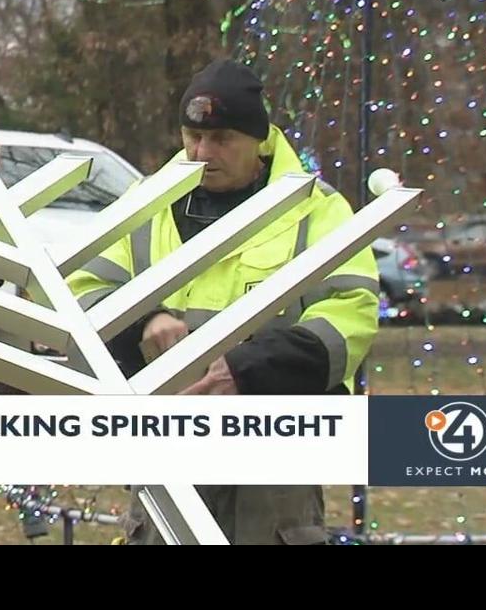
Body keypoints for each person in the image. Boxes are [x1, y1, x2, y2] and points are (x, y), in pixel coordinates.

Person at [66, 59, 380, 545]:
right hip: (167, 445)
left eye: (221, 139)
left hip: (272, 456)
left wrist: (249, 370)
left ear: (259, 139)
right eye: (193, 136)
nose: (202, 152)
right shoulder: (146, 202)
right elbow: (83, 290)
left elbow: (349, 313)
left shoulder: (317, 210)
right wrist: (142, 321)